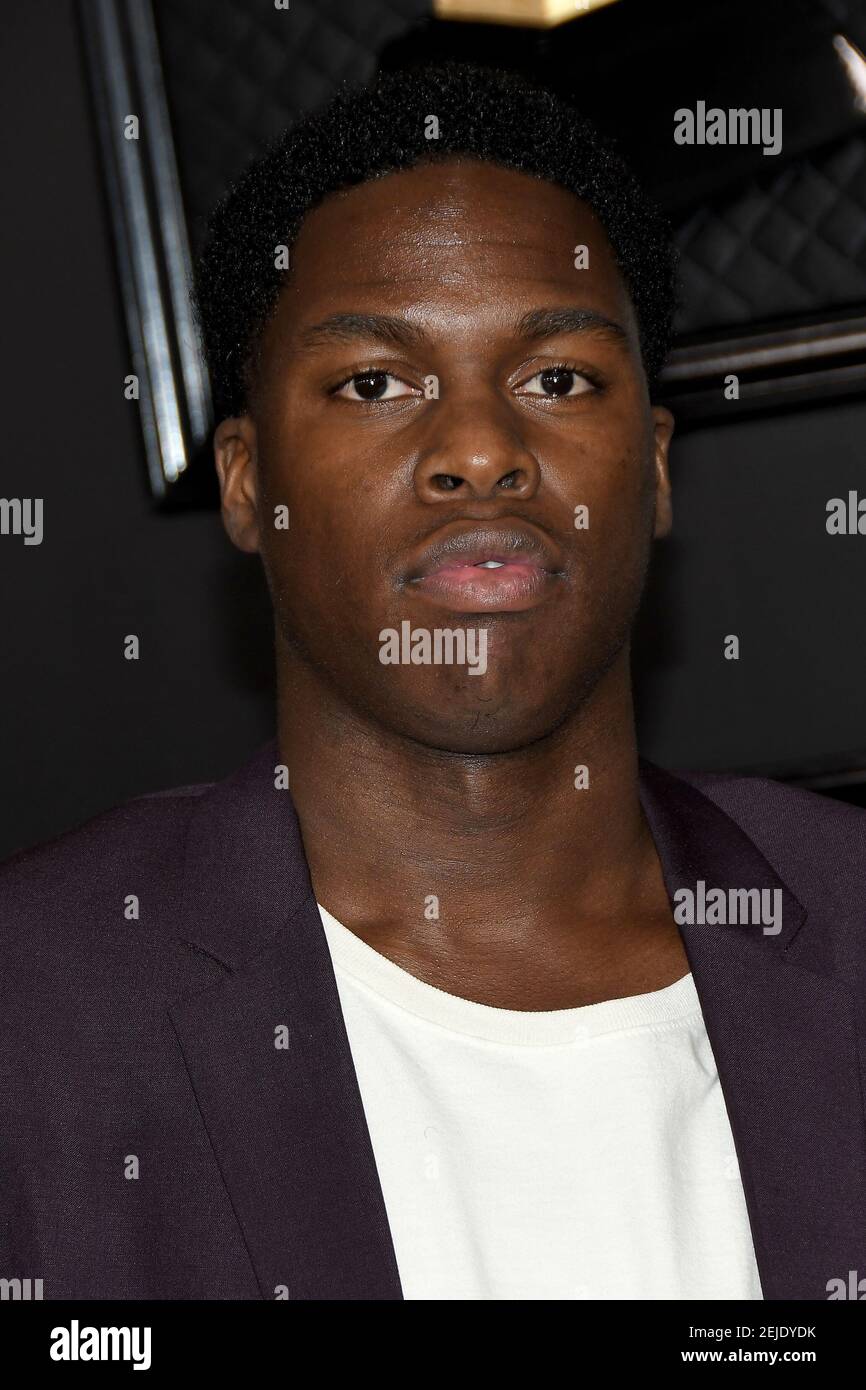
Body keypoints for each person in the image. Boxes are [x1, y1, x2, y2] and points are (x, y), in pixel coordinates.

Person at [1, 61, 864, 1303]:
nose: (477, 450)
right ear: (247, 485)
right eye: (374, 384)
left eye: (555, 379)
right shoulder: (40, 1012)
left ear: (656, 468)